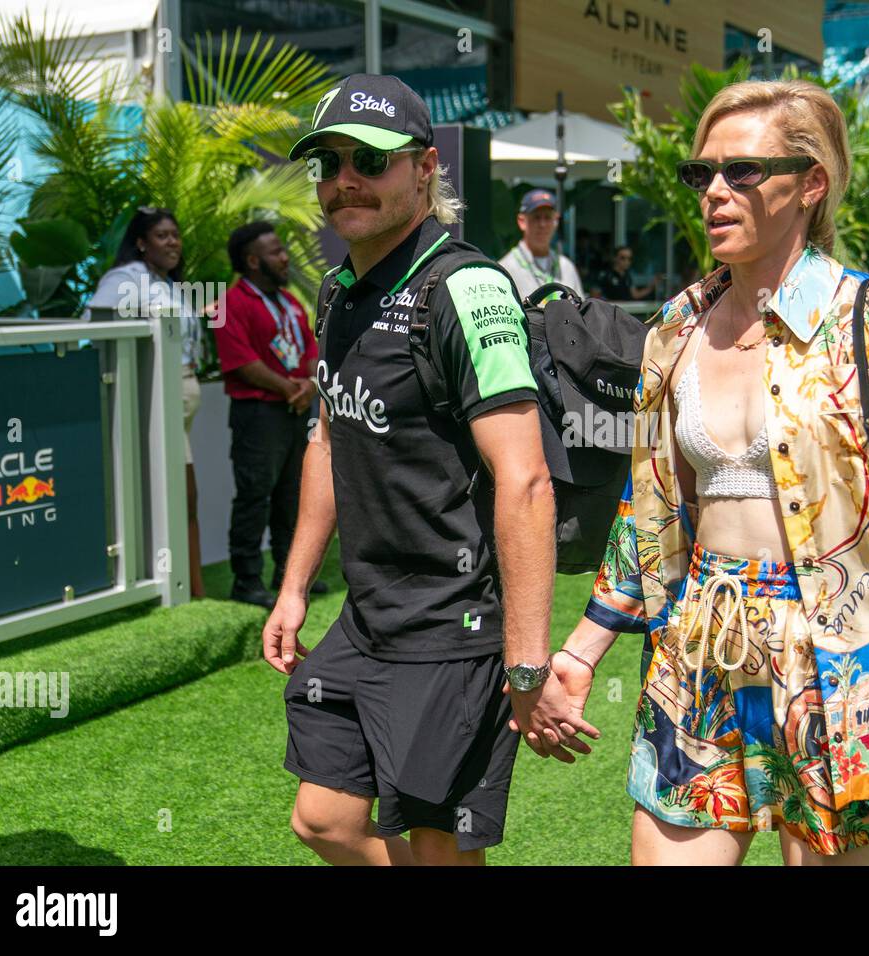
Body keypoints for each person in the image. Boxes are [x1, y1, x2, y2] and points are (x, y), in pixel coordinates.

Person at [553, 79, 869, 865]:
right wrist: (578, 653)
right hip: (701, 643)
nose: (715, 193)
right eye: (703, 175)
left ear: (812, 183)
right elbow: (649, 512)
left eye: (743, 172)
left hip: (850, 667)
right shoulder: (674, 328)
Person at [261, 73, 595, 866]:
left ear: (424, 169)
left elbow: (525, 480)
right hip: (372, 615)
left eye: (370, 163)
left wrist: (526, 660)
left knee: (441, 847)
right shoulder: (338, 289)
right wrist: (295, 586)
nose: (346, 180)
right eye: (331, 162)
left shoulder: (469, 288)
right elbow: (327, 439)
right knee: (324, 819)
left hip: (455, 624)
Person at [85, 206, 206, 598]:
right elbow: (93, 329)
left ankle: (186, 587)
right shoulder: (125, 279)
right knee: (182, 496)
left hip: (180, 399)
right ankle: (190, 593)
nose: (173, 242)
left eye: (176, 234)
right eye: (162, 235)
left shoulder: (168, 282)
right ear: (140, 243)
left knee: (178, 497)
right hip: (152, 403)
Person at [214, 221, 326, 608]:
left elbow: (311, 348)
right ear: (252, 260)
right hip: (258, 413)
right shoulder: (229, 303)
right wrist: (289, 387)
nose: (285, 258)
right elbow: (241, 361)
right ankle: (246, 580)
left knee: (291, 496)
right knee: (254, 496)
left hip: (294, 409)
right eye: (276, 251)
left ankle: (285, 575)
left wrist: (309, 385)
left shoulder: (290, 301)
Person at [497, 189, 583, 301]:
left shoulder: (566, 267)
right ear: (521, 221)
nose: (542, 224)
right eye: (536, 217)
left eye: (547, 217)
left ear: (556, 221)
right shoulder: (505, 268)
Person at [591, 245, 661, 301]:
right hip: (609, 314)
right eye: (623, 258)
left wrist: (651, 287)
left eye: (629, 259)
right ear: (615, 258)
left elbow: (635, 294)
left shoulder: (627, 276)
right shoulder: (605, 275)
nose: (626, 262)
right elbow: (595, 296)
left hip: (625, 312)